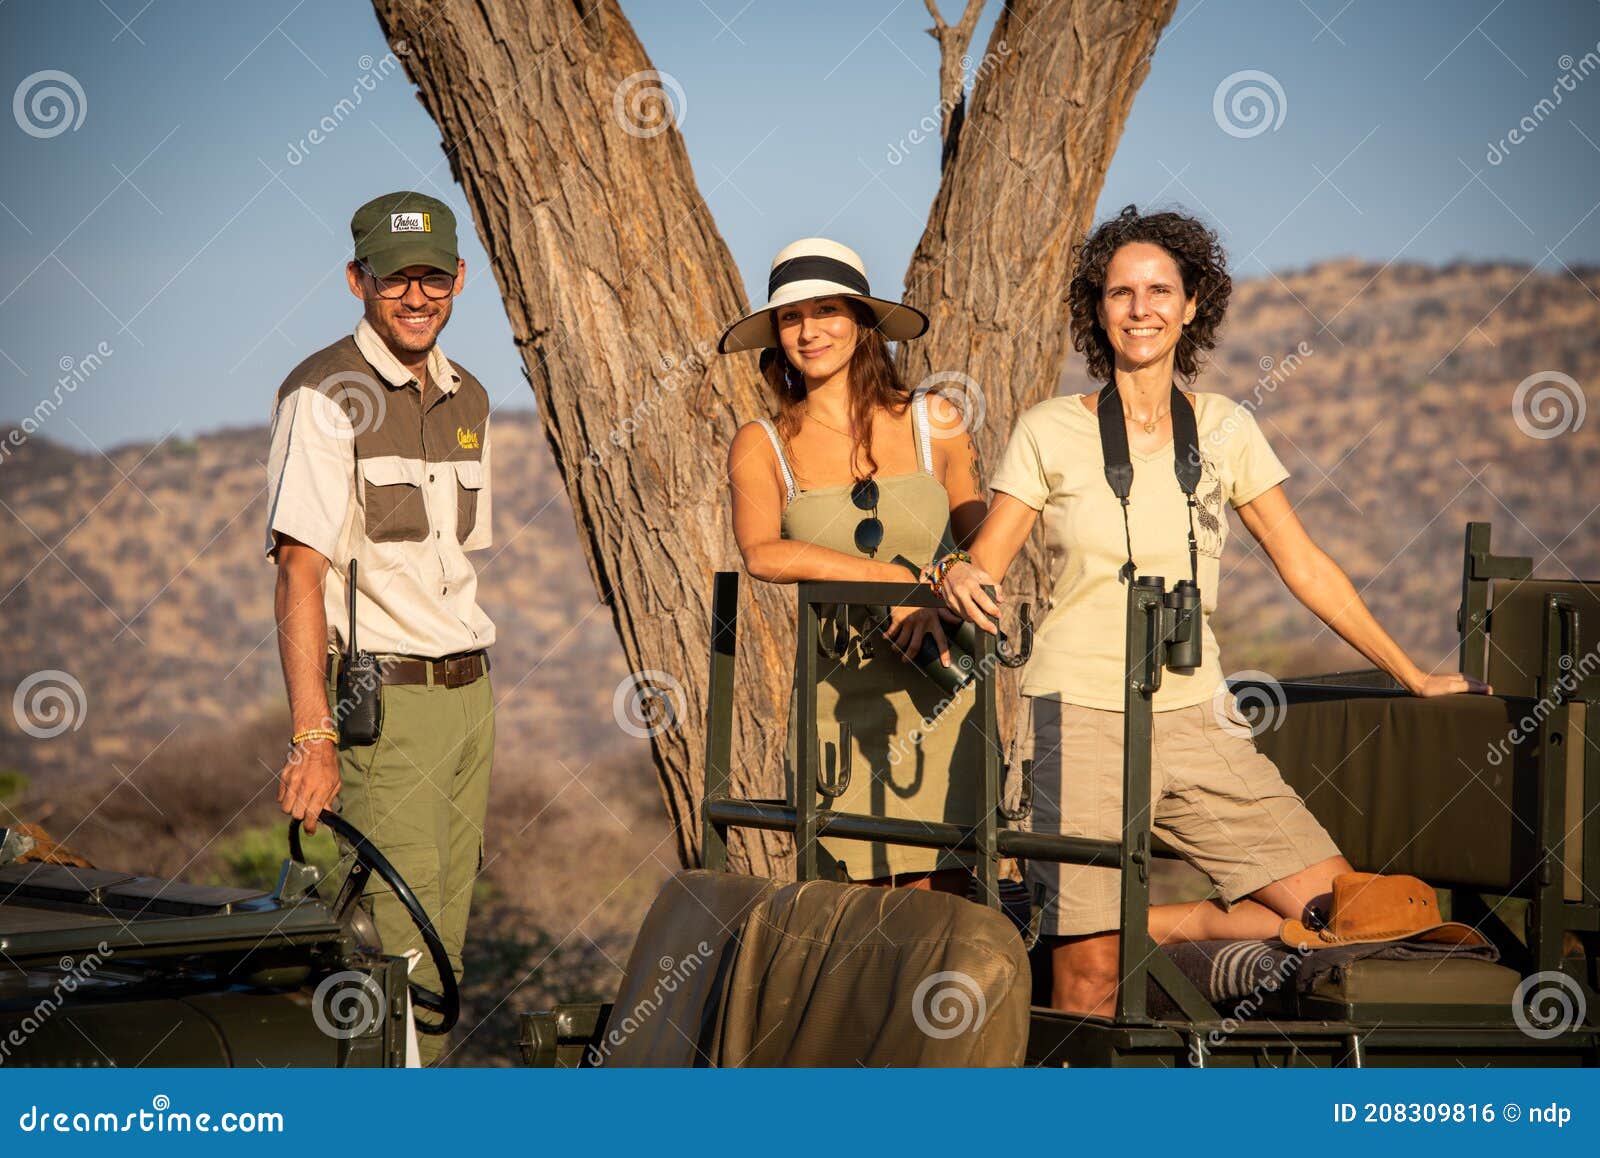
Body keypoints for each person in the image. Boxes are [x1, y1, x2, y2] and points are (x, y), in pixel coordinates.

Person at [933, 205, 1491, 1015]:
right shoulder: (1049, 429)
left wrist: (1410, 673)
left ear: (1193, 305)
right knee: (1087, 975)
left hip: (1199, 714)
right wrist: (954, 578)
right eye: (1120, 292)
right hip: (1080, 713)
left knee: (1350, 909)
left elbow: (1304, 564)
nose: (1141, 308)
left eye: (1160, 290)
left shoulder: (1227, 427)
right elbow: (984, 561)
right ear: (1098, 309)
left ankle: (1134, 923)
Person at [264, 191, 495, 1063]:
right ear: (358, 279)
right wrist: (313, 734)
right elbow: (299, 573)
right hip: (383, 710)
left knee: (445, 943)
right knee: (392, 947)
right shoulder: (323, 393)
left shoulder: (469, 393)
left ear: (459, 279)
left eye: (433, 276)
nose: (416, 295)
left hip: (472, 700)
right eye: (396, 278)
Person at [723, 237, 987, 891]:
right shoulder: (763, 443)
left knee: (951, 912)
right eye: (791, 317)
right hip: (837, 705)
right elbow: (763, 553)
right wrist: (900, 580)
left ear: (863, 321)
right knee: (860, 922)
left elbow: (980, 542)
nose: (809, 331)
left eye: (828, 311)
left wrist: (951, 578)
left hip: (942, 694)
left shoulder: (936, 420)